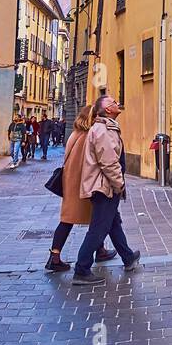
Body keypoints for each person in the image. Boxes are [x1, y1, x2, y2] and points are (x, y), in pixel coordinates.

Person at [72, 95, 142, 285]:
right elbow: (109, 162)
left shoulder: (105, 127)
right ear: (107, 109)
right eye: (113, 102)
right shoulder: (103, 130)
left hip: (103, 185)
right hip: (104, 186)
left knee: (113, 223)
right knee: (99, 228)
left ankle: (128, 257)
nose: (117, 103)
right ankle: (82, 268)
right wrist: (119, 184)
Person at [45, 104, 118, 272]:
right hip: (84, 182)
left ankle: (55, 256)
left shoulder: (75, 134)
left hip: (70, 181)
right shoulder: (89, 135)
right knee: (97, 218)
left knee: (69, 219)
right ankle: (96, 252)